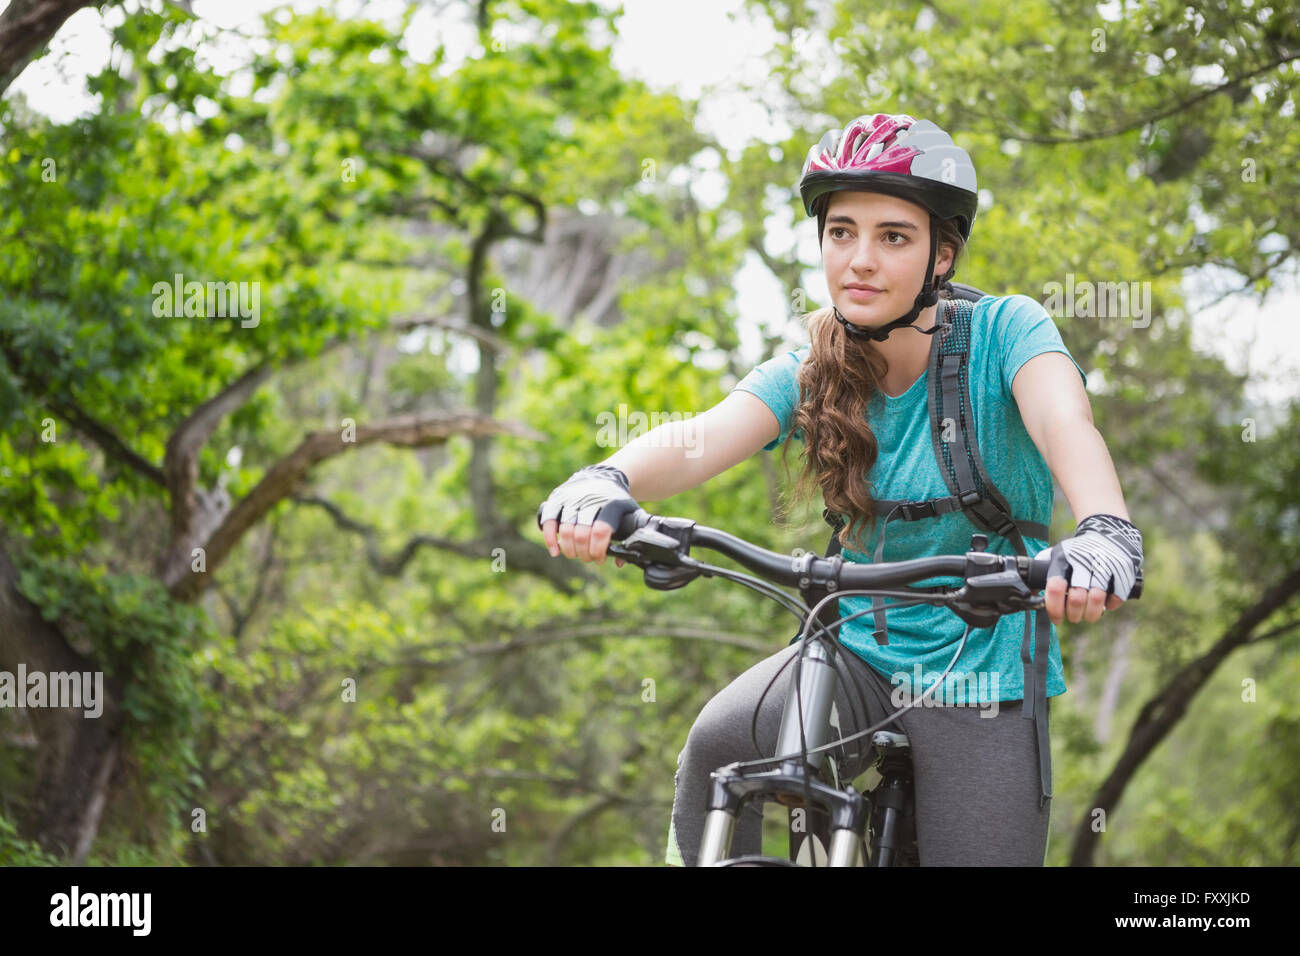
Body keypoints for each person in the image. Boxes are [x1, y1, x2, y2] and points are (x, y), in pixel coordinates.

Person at [536, 113, 1144, 866]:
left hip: (978, 667)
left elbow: (1065, 422)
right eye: (841, 232)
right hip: (852, 649)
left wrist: (1104, 529)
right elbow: (701, 437)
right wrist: (607, 478)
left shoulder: (1007, 334)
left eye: (893, 236)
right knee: (718, 746)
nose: (859, 259)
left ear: (941, 255)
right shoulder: (814, 363)